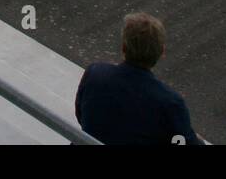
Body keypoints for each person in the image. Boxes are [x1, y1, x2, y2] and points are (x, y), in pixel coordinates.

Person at [74, 12, 204, 145]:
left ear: (123, 47)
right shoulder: (171, 103)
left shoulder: (95, 74)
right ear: (161, 52)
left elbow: (81, 116)